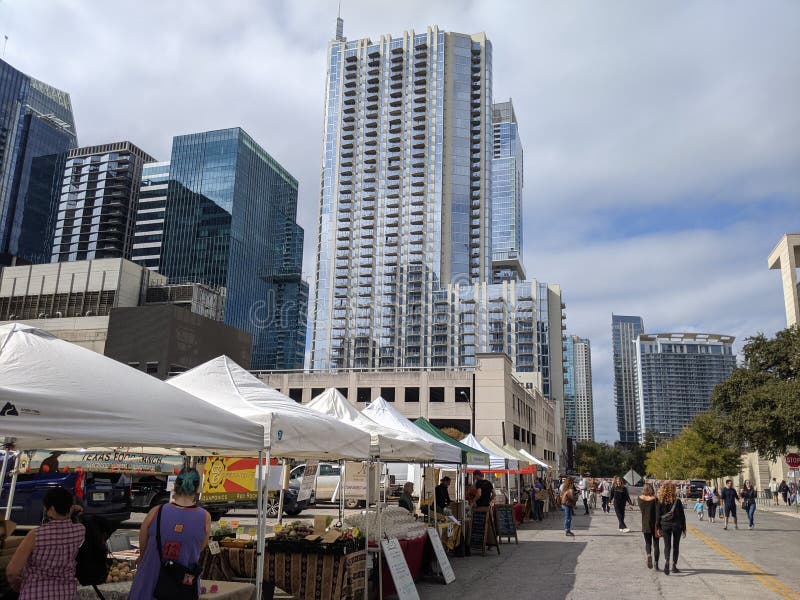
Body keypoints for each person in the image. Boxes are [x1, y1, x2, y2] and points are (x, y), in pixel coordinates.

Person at [129, 467, 211, 600]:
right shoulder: (205, 517)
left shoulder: (156, 512)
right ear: (197, 489)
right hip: (182, 588)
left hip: (149, 583)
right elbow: (199, 548)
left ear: (175, 486)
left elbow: (143, 551)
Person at [6, 486, 85, 599]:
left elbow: (12, 572)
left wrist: (20, 587)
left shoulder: (35, 535)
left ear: (51, 509)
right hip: (67, 594)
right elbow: (77, 515)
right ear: (70, 507)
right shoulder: (80, 531)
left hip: (36, 593)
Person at [656, 481, 686, 575]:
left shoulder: (660, 501)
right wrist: (684, 528)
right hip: (676, 525)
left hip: (665, 525)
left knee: (667, 545)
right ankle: (674, 565)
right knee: (676, 545)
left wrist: (658, 527)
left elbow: (658, 516)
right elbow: (682, 516)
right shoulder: (677, 501)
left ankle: (667, 560)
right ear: (673, 490)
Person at [638, 483, 660, 570]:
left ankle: (648, 554)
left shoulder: (639, 499)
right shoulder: (655, 499)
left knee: (648, 543)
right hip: (655, 524)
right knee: (656, 544)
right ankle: (656, 564)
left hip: (645, 523)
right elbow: (658, 512)